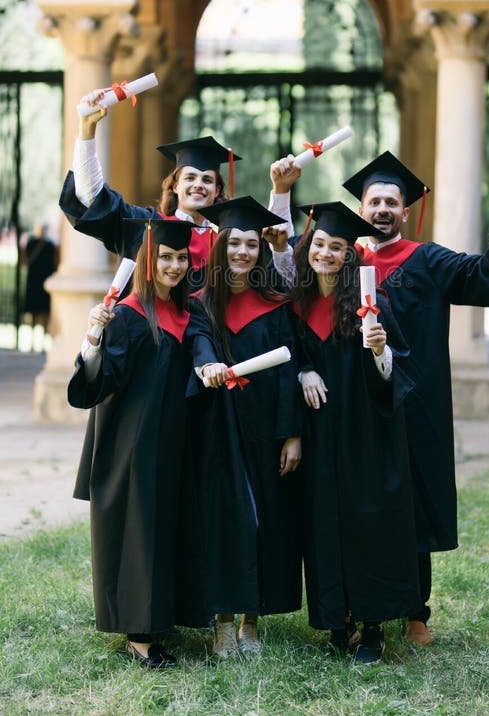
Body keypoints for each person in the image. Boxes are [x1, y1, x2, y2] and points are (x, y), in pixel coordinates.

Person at [266, 151, 489, 646]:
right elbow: (287, 273)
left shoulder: (425, 259)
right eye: (374, 201)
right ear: (361, 208)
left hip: (415, 402)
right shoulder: (343, 258)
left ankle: (415, 611)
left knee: (412, 502)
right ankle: (359, 608)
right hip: (352, 410)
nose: (382, 208)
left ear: (405, 211)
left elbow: (481, 275)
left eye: (392, 201)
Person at [68, 218, 210, 668]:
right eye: (165, 257)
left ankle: (162, 618)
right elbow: (98, 382)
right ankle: (140, 636)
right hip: (133, 444)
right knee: (140, 532)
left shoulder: (190, 313)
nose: (173, 265)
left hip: (174, 442)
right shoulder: (128, 315)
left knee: (168, 528)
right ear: (149, 261)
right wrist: (93, 337)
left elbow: (202, 352)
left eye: (180, 258)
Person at [290, 201, 420, 666]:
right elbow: (290, 354)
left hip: (365, 431)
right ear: (309, 247)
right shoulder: (298, 302)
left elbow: (392, 371)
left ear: (350, 255)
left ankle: (371, 627)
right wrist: (304, 370)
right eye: (319, 244)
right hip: (321, 430)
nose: (325, 253)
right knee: (325, 518)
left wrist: (379, 350)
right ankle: (336, 619)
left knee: (367, 520)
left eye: (337, 247)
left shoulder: (371, 303)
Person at [187, 196, 303, 658]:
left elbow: (290, 371)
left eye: (251, 244)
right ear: (220, 246)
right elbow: (197, 343)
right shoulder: (202, 304)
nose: (242, 252)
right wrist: (208, 363)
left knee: (264, 521)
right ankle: (222, 621)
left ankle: (251, 623)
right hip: (219, 429)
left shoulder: (274, 305)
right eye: (234, 242)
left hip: (263, 428)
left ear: (260, 250)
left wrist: (292, 433)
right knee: (222, 521)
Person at [59, 93, 241, 279]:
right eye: (190, 178)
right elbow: (93, 197)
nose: (198, 185)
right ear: (175, 186)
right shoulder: (146, 227)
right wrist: (87, 130)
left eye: (207, 180)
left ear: (217, 190)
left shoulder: (226, 242)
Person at [19, 222, 59, 350]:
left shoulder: (34, 244)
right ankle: (37, 344)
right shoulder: (49, 245)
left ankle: (36, 344)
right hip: (40, 282)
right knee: (40, 314)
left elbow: (23, 261)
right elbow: (56, 263)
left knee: (38, 314)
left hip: (35, 282)